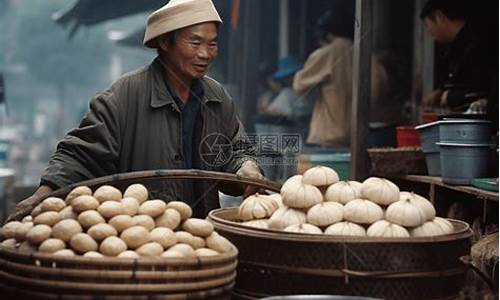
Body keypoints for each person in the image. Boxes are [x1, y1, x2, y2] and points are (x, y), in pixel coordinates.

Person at [16, 0, 263, 218]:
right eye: (195, 42)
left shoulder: (217, 98)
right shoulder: (124, 95)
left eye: (212, 44)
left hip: (201, 239)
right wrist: (45, 192)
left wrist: (246, 167)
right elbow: (82, 154)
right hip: (140, 238)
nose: (205, 54)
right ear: (165, 42)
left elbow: (234, 150)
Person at [293, 8, 390, 147]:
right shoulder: (370, 57)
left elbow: (299, 85)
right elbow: (383, 88)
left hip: (329, 137)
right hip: (360, 138)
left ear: (327, 33)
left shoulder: (328, 53)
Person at [420, 0, 498, 127]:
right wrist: (441, 91)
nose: (430, 33)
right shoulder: (457, 46)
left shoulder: (479, 42)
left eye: (428, 26)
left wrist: (450, 97)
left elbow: (483, 90)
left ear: (440, 17)